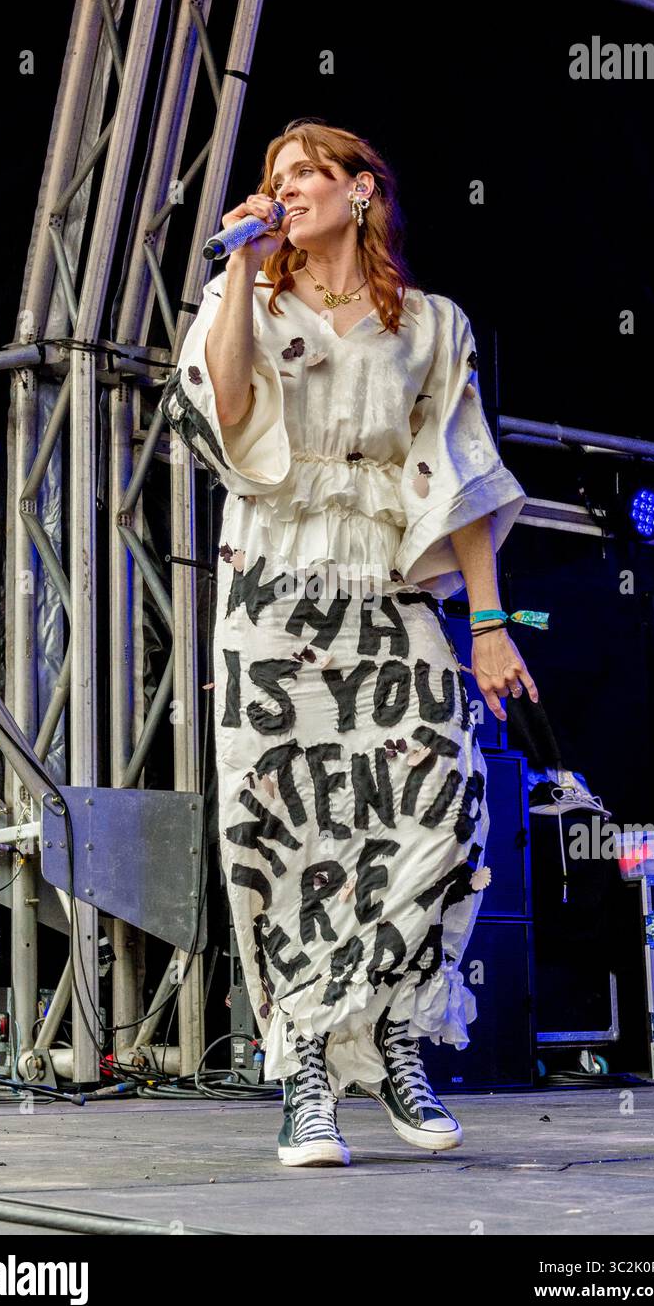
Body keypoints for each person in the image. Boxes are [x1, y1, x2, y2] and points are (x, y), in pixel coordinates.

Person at [160, 119, 537, 1168]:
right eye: (273, 179)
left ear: (360, 191)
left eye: (305, 175)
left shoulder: (428, 325)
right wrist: (235, 271)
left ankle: (398, 1037)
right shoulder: (249, 301)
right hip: (273, 590)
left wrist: (491, 620)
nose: (287, 191)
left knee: (442, 813)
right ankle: (309, 1074)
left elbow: (459, 474)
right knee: (277, 829)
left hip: (384, 587)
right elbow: (225, 412)